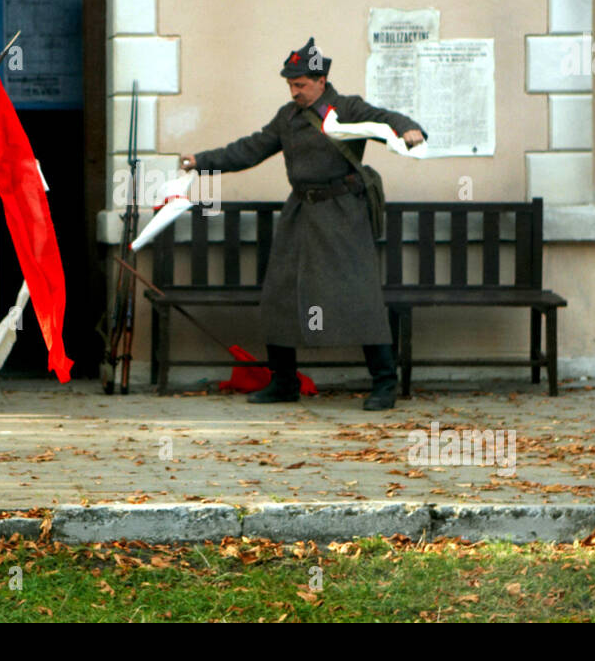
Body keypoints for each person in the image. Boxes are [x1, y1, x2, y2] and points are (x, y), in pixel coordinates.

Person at [180, 37, 426, 411]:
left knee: (360, 297)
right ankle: (284, 382)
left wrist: (410, 129)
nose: (295, 92)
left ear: (321, 81)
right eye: (290, 85)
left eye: (301, 85)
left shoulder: (348, 108)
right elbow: (249, 149)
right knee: (280, 293)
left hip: (343, 215)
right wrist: (201, 161)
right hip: (301, 214)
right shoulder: (288, 118)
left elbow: (387, 118)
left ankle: (384, 383)